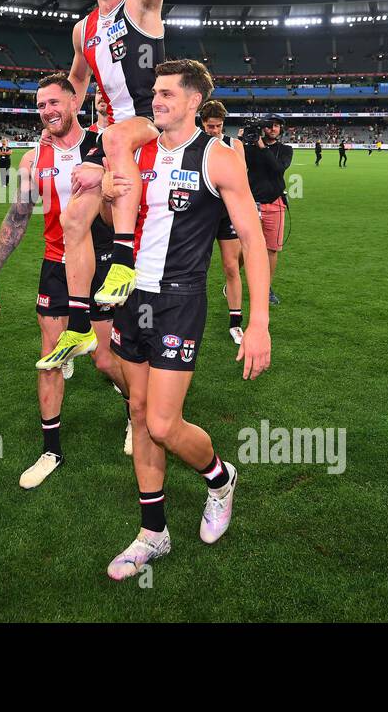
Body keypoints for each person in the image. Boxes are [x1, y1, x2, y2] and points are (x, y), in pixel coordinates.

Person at [105, 60, 271, 581]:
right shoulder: (141, 151)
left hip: (179, 300)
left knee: (162, 422)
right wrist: (107, 193)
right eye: (154, 93)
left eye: (167, 94)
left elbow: (253, 242)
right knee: (137, 411)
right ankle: (153, 533)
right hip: (133, 296)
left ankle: (220, 480)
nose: (155, 101)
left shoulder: (218, 159)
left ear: (195, 102)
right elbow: (128, 220)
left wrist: (259, 322)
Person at [42, 0, 175, 369]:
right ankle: (78, 322)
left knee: (117, 137)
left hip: (152, 120)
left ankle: (122, 258)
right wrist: (59, 109)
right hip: (111, 131)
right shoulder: (83, 29)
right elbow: (75, 79)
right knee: (72, 217)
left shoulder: (141, 4)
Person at [0, 75, 130, 490]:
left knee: (104, 358)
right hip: (55, 264)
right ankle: (51, 449)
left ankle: (135, 411)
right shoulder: (32, 159)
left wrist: (104, 188)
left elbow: (115, 213)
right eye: (40, 105)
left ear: (73, 101)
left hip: (98, 263)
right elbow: (17, 217)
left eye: (53, 102)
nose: (47, 111)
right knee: (50, 357)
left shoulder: (102, 146)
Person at [199, 100, 248, 345]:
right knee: (195, 267)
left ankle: (235, 323)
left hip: (227, 213)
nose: (214, 130)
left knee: (231, 266)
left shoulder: (234, 144)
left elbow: (242, 177)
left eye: (218, 126)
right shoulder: (194, 145)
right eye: (210, 126)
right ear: (202, 124)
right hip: (202, 214)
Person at [241, 115, 292, 306]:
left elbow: (278, 169)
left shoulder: (285, 150)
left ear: (281, 129)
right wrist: (242, 141)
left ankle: (266, 288)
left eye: (276, 126)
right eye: (269, 125)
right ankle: (233, 279)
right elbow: (238, 163)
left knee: (271, 248)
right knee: (244, 246)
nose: (272, 129)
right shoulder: (251, 147)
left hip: (275, 203)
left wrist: (262, 147)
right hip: (251, 203)